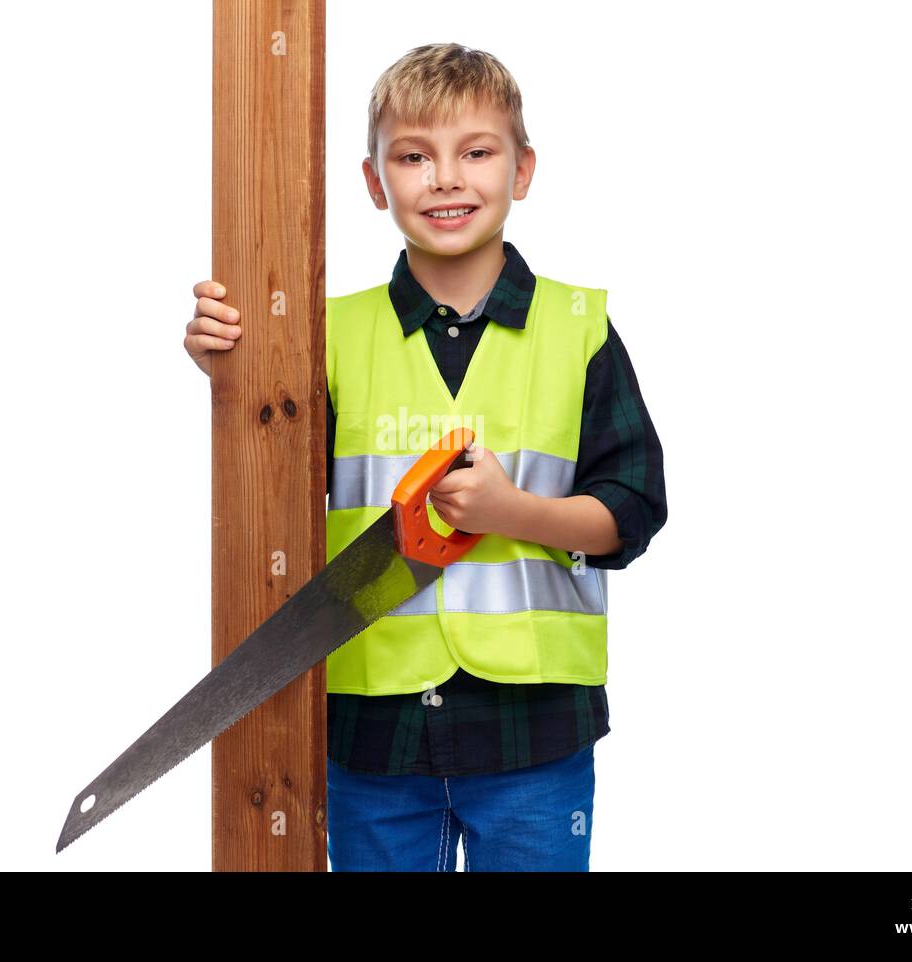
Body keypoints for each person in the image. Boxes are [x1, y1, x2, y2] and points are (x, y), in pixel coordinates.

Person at [183, 43, 667, 871]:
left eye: (477, 152)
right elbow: (267, 478)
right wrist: (235, 372)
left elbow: (633, 511)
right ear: (376, 183)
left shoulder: (578, 328)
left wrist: (516, 514)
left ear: (523, 170)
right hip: (373, 734)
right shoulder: (321, 335)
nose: (446, 178)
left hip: (534, 735)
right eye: (413, 156)